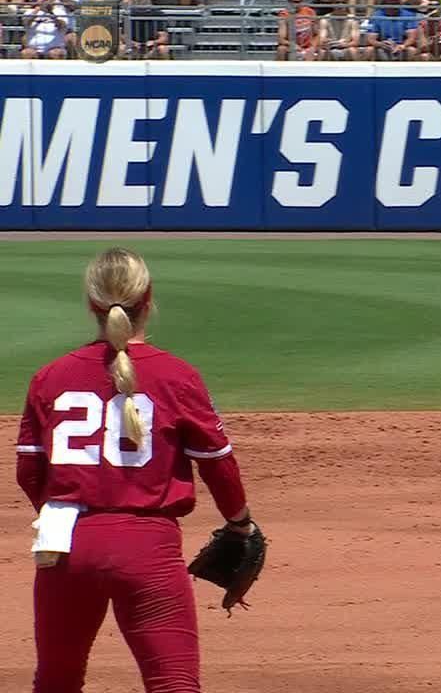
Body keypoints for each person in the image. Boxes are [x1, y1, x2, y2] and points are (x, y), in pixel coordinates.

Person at [15, 247, 259, 692]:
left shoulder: (49, 377)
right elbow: (218, 466)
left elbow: (28, 473)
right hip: (149, 550)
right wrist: (239, 523)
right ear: (148, 299)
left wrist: (60, 512)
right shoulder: (175, 375)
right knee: (173, 683)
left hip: (65, 547)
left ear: (92, 305)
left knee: (56, 680)